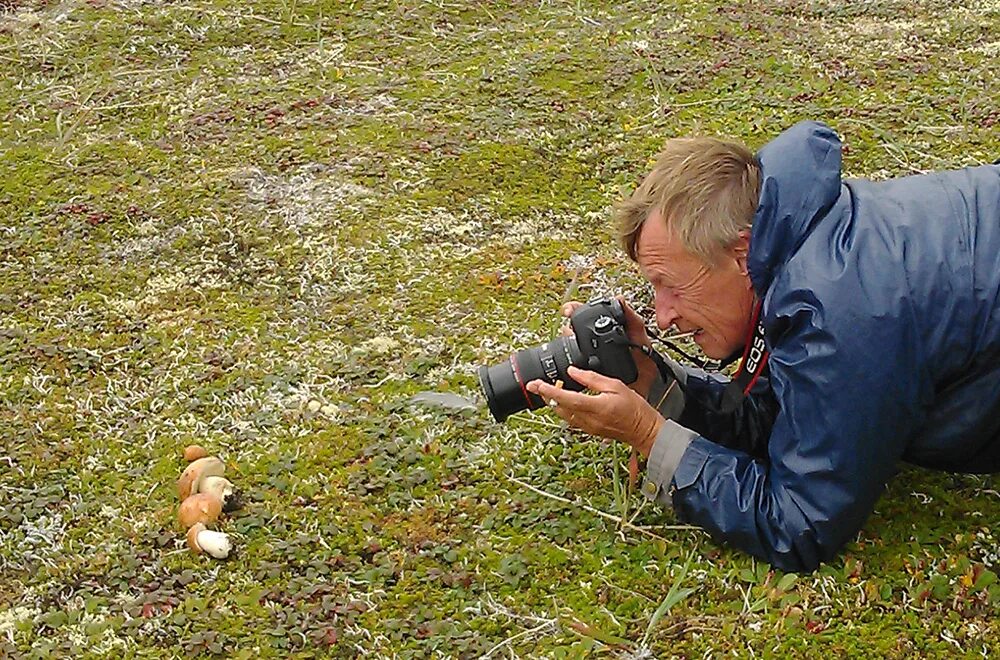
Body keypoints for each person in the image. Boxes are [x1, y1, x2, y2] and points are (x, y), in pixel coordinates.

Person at [526, 120, 1000, 572]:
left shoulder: (839, 309)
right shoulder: (803, 240)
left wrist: (650, 436)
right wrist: (655, 382)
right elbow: (781, 417)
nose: (663, 316)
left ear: (740, 253)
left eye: (670, 285)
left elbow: (799, 524)